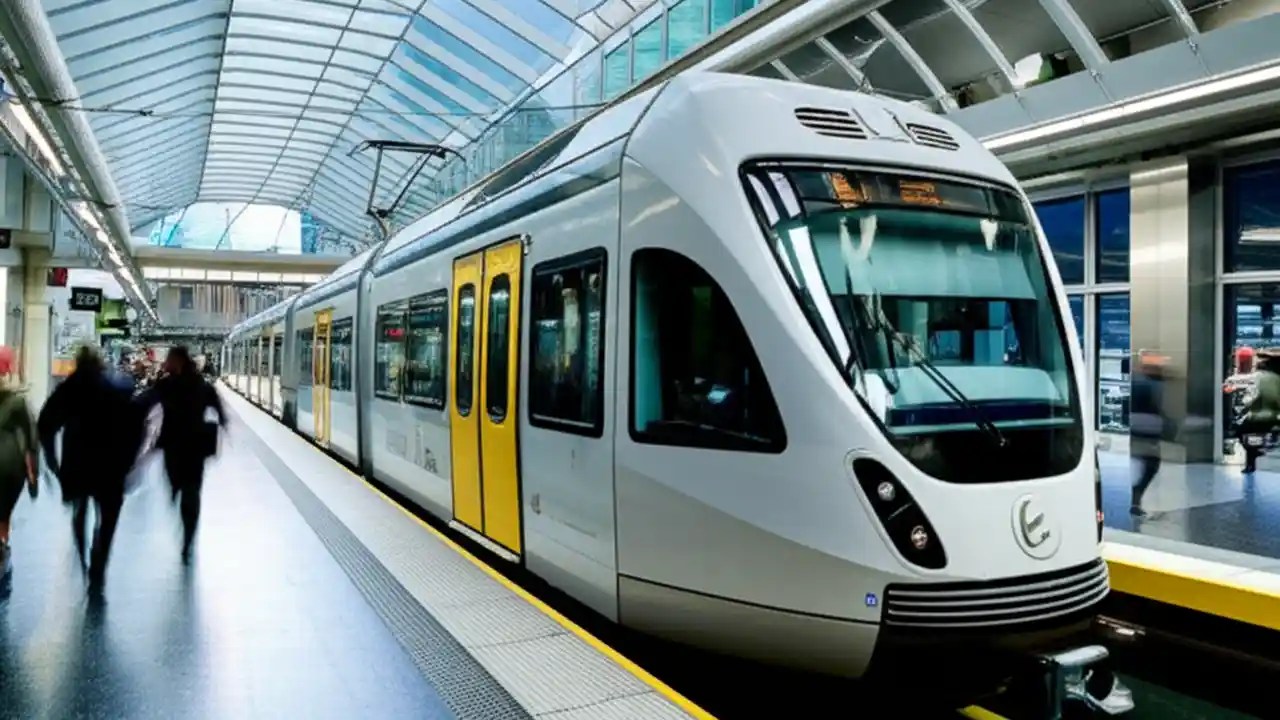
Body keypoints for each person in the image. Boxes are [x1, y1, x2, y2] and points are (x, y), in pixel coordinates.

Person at [37, 345, 141, 594]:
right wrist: (130, 461)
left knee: (79, 508)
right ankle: (99, 561)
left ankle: (82, 551)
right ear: (99, 362)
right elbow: (134, 425)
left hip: (78, 462)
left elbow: (46, 423)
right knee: (108, 516)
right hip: (110, 464)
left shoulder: (69, 388)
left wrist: (52, 459)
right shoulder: (114, 387)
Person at [137, 346, 225, 562]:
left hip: (175, 445)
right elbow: (219, 409)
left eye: (169, 359)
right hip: (194, 447)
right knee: (192, 490)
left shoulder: (167, 385)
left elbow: (144, 402)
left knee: (180, 483)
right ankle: (188, 535)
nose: (166, 363)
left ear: (178, 361)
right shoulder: (201, 385)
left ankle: (185, 528)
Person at [0, 346, 37, 576]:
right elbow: (32, 439)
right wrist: (35, 476)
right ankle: (2, 550)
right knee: (3, 512)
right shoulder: (18, 402)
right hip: (10, 462)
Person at [1129, 352, 1169, 517]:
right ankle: (1135, 498)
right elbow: (1156, 407)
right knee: (1152, 465)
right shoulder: (1153, 384)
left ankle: (1135, 498)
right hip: (1147, 429)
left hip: (1139, 428)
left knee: (1146, 464)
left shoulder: (1137, 381)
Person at [1238, 349, 1280, 474]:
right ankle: (1261, 448)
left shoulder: (1256, 378)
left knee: (1242, 432)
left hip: (1254, 417)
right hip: (1274, 417)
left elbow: (1248, 399)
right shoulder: (1277, 379)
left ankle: (1251, 462)